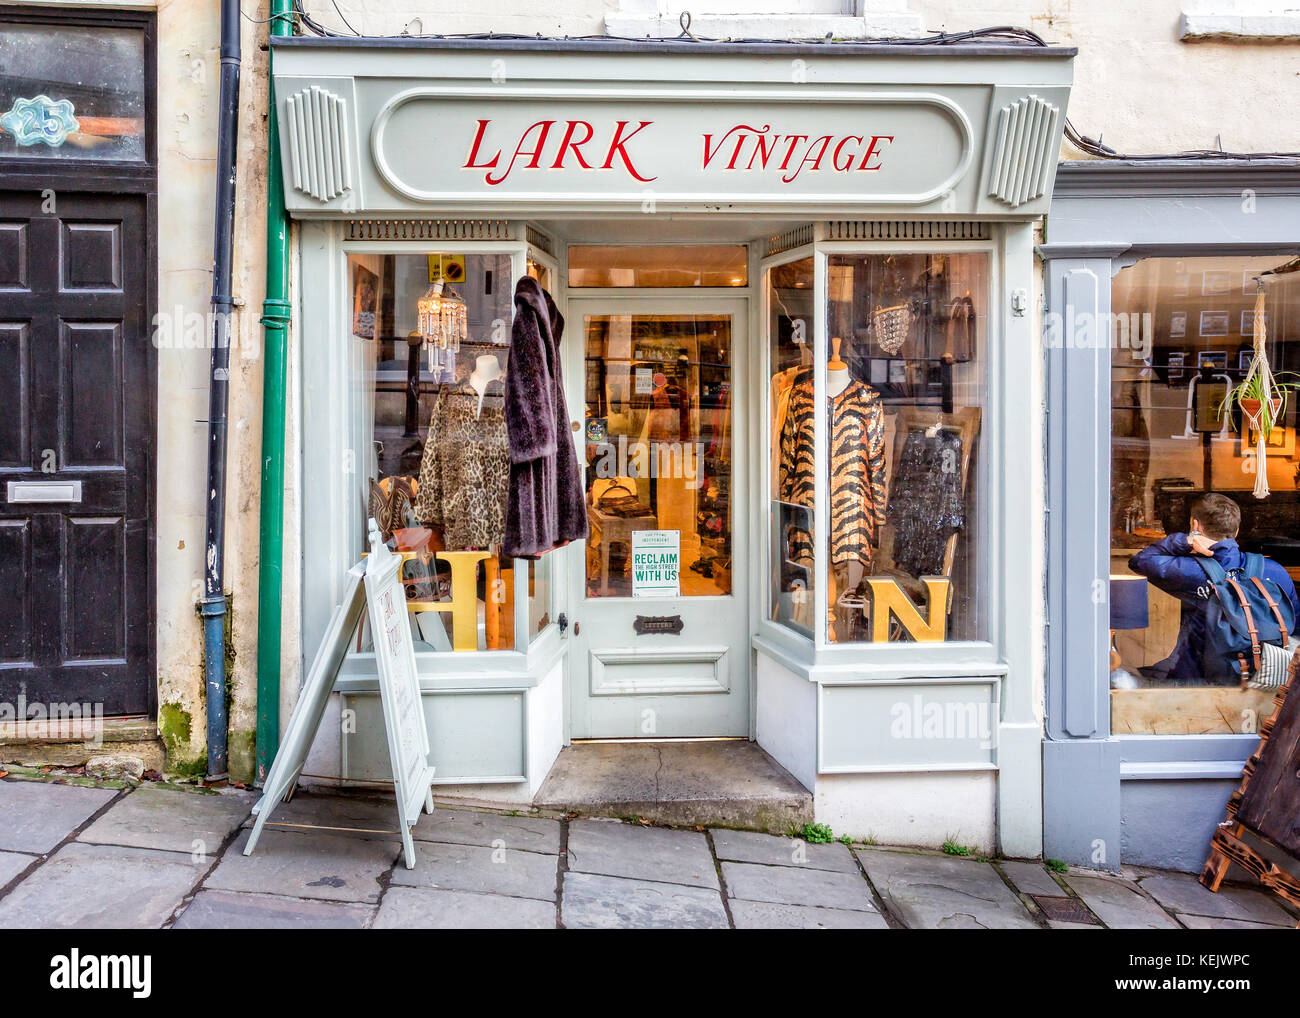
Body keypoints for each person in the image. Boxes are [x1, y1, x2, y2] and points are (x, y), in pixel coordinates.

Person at [1128, 493, 1299, 685]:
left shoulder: (1191, 571)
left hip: (1199, 683)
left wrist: (1186, 541)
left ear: (1195, 525)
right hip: (1265, 681)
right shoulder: (1276, 572)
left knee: (1127, 678)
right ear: (1236, 531)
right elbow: (1295, 627)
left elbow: (1141, 561)